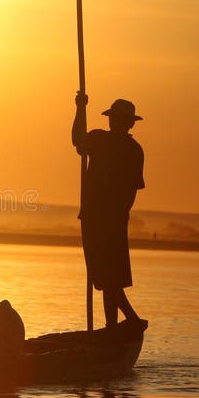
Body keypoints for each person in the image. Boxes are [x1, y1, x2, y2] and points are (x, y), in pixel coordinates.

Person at [72, 92, 145, 327]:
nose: (114, 123)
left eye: (120, 119)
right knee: (103, 278)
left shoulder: (133, 150)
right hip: (94, 218)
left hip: (108, 220)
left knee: (110, 278)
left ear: (129, 123)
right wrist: (80, 108)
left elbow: (131, 192)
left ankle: (128, 322)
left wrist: (116, 217)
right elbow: (78, 141)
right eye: (113, 118)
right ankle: (113, 327)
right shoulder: (99, 139)